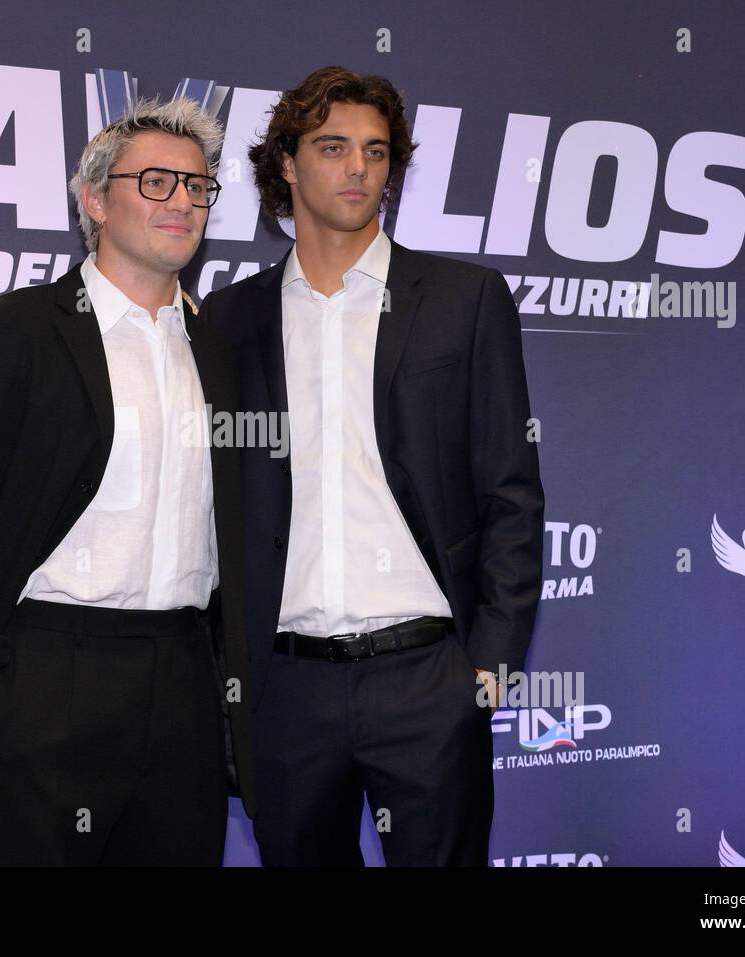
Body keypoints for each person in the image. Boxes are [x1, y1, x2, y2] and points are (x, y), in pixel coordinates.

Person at [0, 96, 254, 865]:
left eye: (198, 186)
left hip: (185, 690)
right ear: (96, 200)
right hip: (41, 674)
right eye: (157, 182)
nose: (182, 201)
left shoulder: (223, 356)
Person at [201, 66, 544, 866]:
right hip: (286, 688)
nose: (359, 167)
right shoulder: (231, 316)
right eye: (332, 147)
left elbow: (511, 493)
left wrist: (485, 670)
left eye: (377, 151)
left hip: (428, 678)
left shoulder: (464, 299)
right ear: (286, 163)